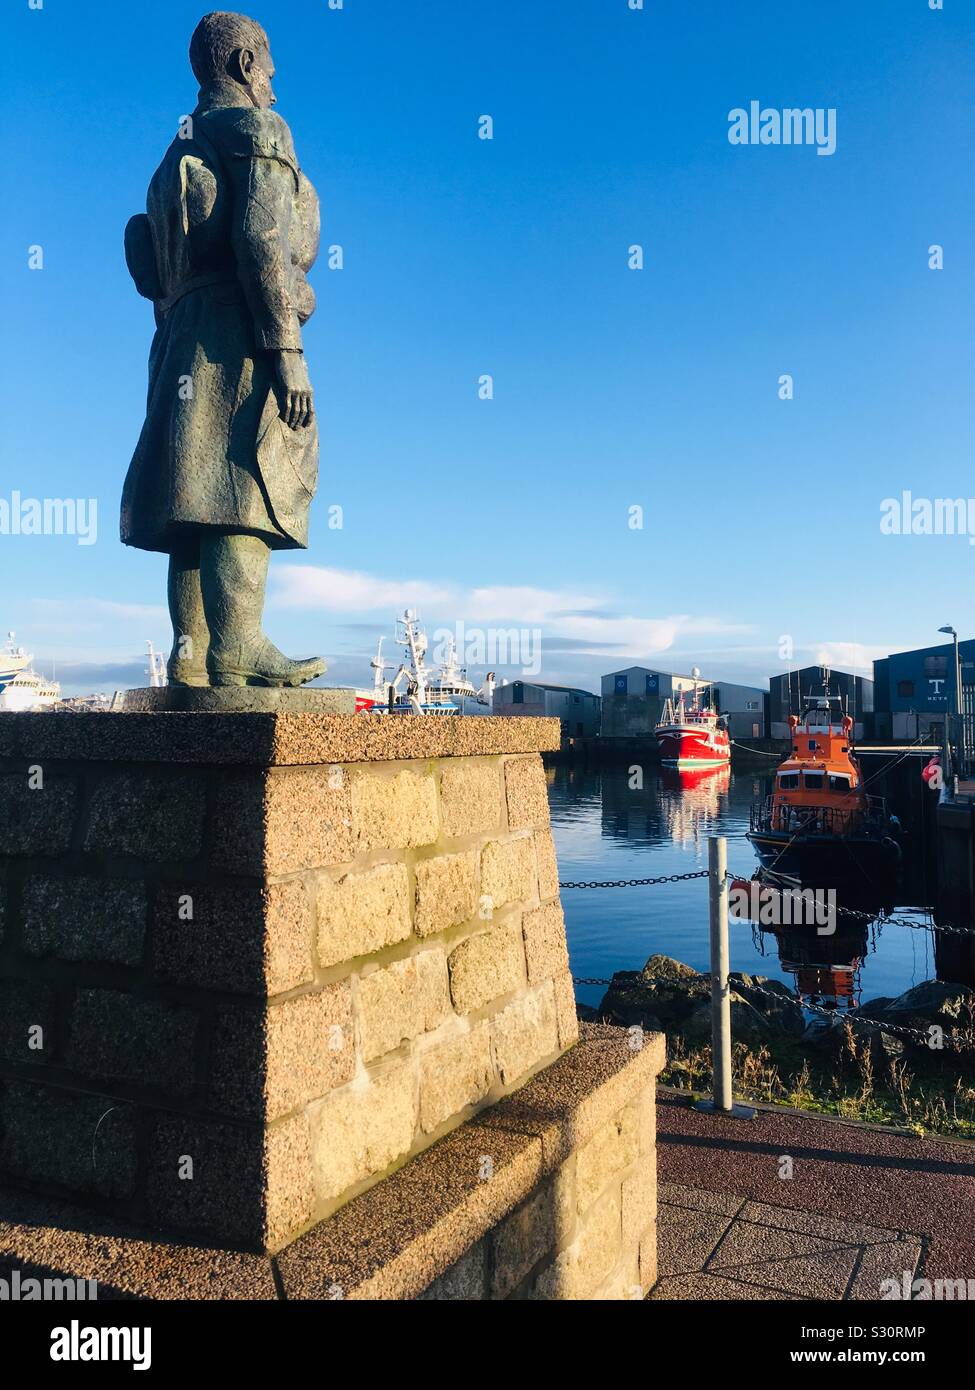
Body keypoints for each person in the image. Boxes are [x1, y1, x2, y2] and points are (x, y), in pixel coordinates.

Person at [121, 11, 326, 687]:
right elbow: (262, 239)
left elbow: (143, 258)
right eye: (268, 66)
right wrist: (286, 350)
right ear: (242, 64)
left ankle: (192, 657)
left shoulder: (171, 155)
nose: (274, 81)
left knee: (188, 497)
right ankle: (237, 645)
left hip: (180, 337)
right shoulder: (259, 131)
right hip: (238, 334)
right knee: (244, 484)